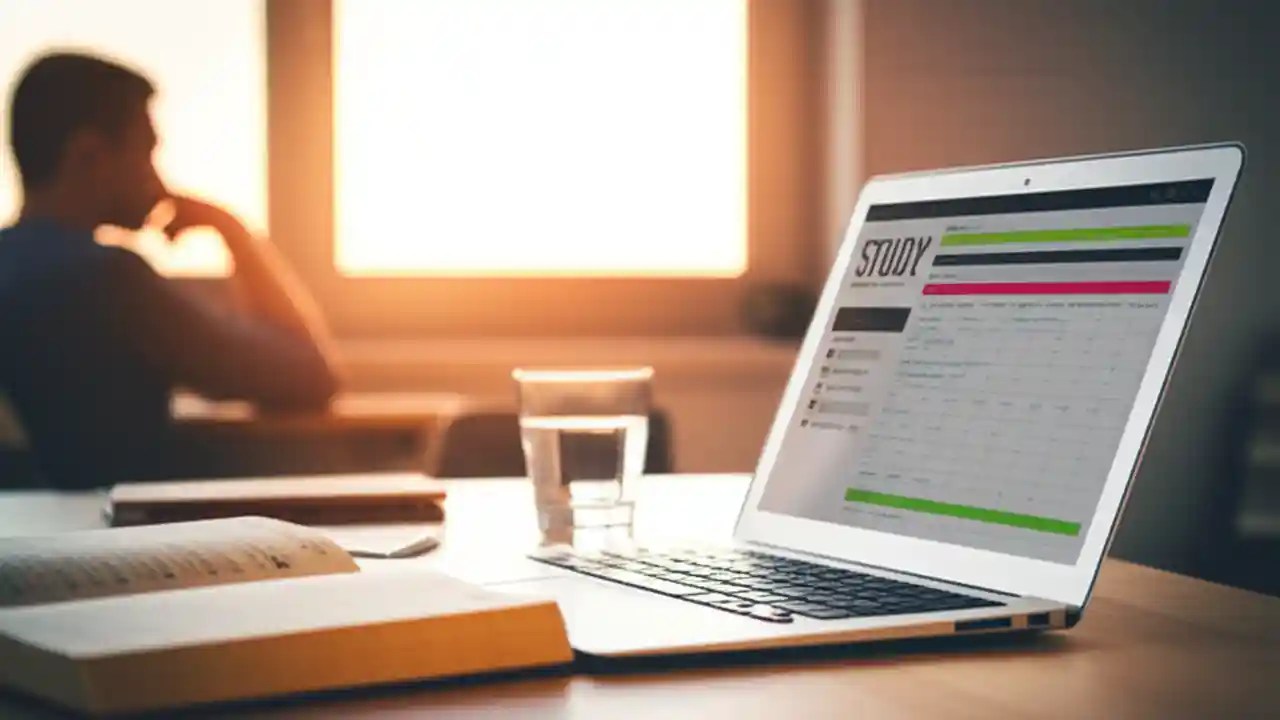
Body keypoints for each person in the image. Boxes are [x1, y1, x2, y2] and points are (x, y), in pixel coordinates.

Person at [0, 52, 341, 488]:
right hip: (131, 541)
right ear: (89, 157)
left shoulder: (17, 270)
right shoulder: (109, 280)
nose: (160, 184)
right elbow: (309, 375)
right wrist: (233, 231)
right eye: (146, 153)